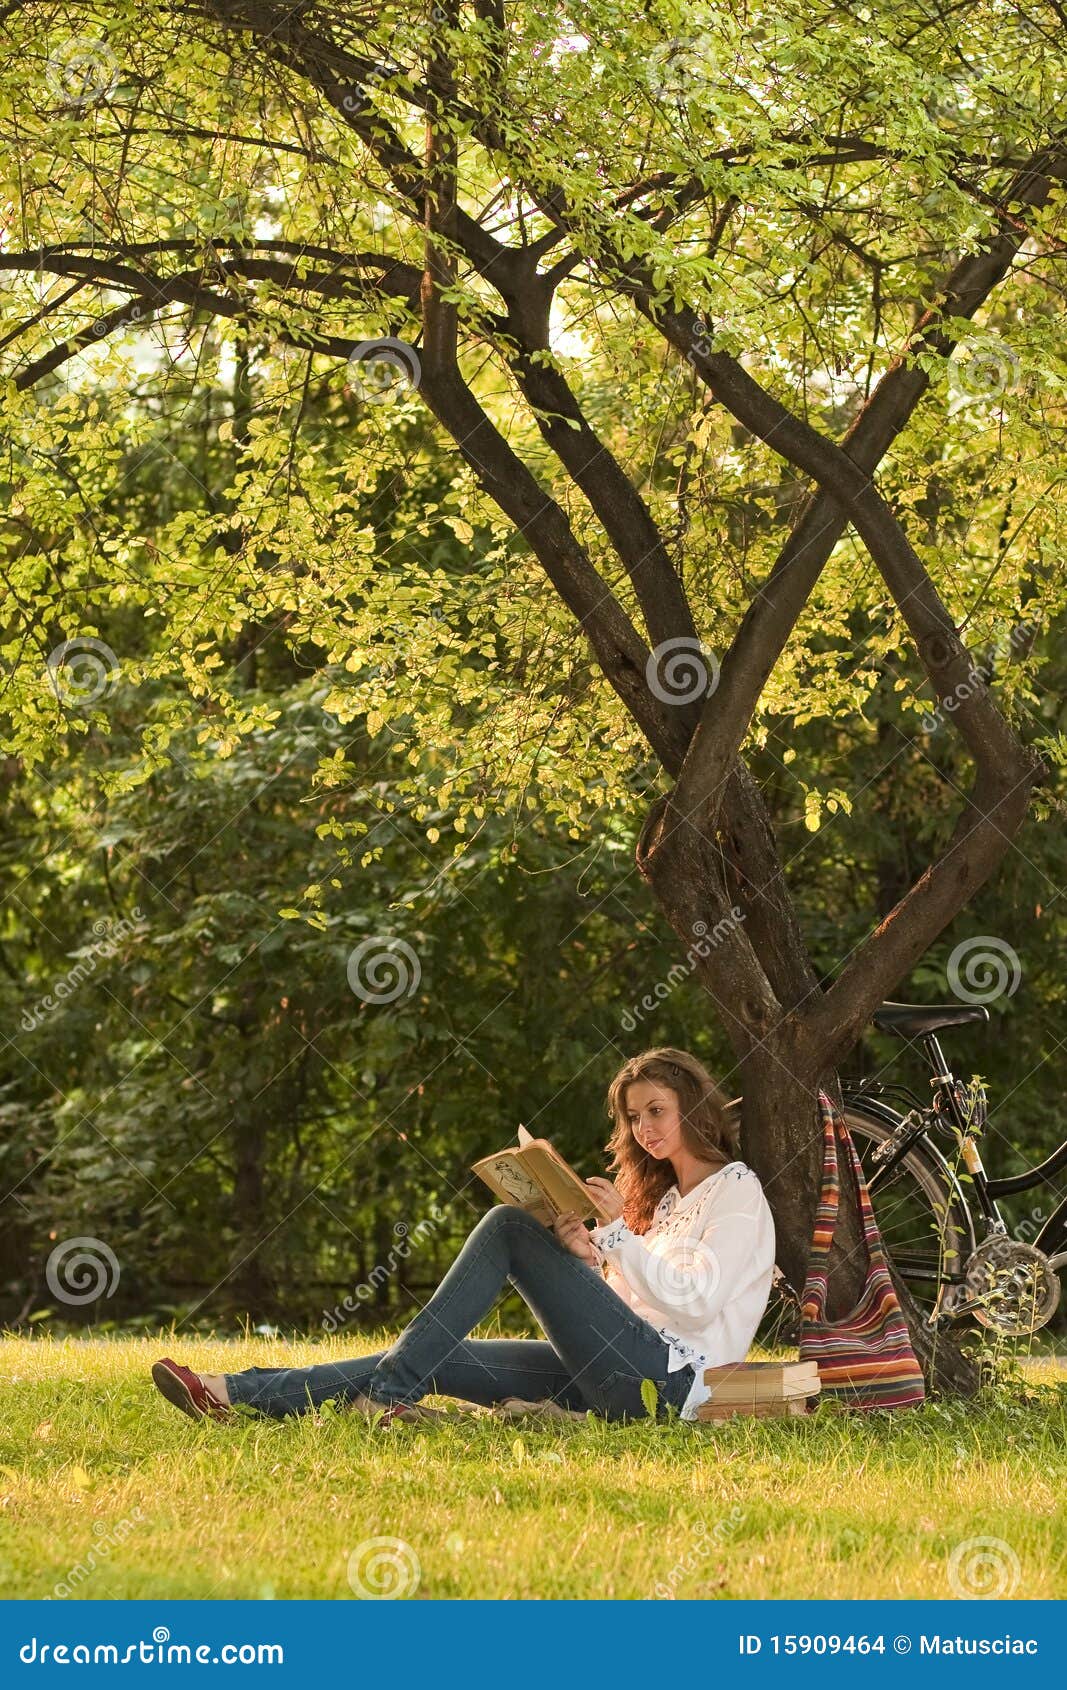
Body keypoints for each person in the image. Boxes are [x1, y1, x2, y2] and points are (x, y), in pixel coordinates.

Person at [151, 1046, 776, 1427]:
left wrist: (614, 1233)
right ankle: (237, 1392)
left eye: (656, 1110)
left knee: (505, 1228)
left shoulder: (737, 1190)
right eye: (633, 1117)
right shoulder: (664, 1203)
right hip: (616, 1375)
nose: (643, 1128)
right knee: (442, 1355)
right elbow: (632, 1303)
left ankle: (387, 1400)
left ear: (692, 1105)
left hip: (669, 1388)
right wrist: (589, 1257)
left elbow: (695, 1301)